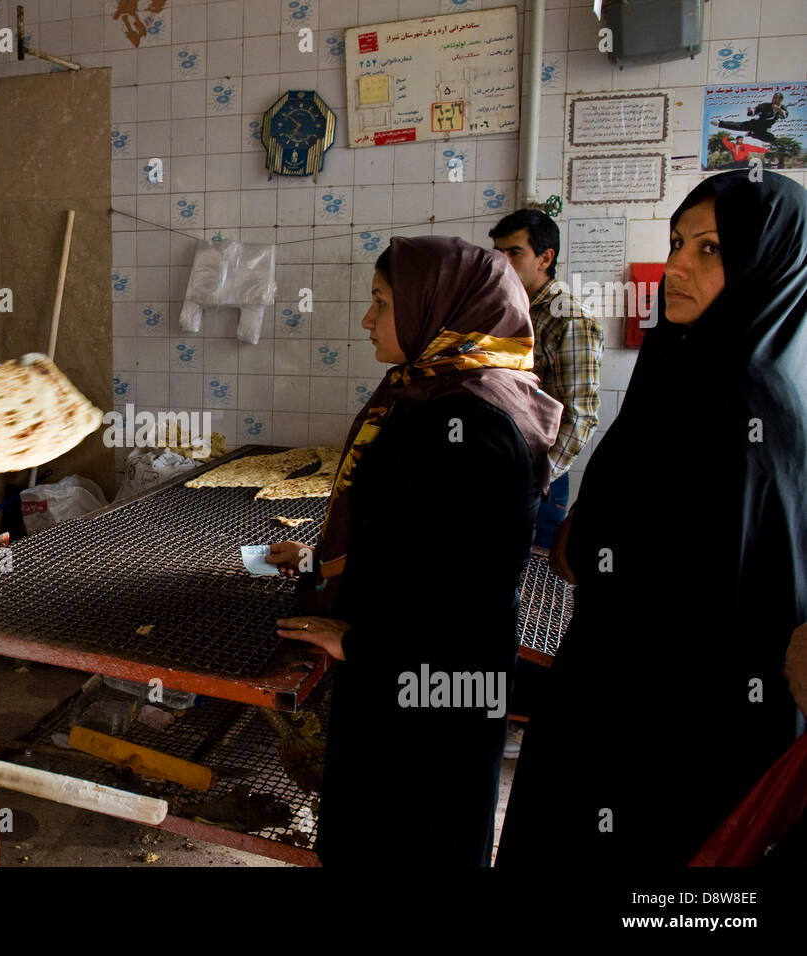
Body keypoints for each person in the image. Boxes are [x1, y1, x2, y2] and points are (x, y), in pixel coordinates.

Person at [497, 171, 807, 867]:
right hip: (616, 675)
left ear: (770, 259)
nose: (676, 267)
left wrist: (596, 538)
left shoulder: (752, 399)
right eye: (675, 243)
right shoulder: (682, 364)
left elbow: (724, 585)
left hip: (680, 719)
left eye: (710, 250)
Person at [266, 236, 562, 866]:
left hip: (425, 684)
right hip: (413, 664)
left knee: (411, 834)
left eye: (380, 302)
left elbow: (462, 588)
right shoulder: (436, 393)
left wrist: (358, 644)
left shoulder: (468, 424)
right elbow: (411, 541)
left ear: (439, 307)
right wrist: (322, 561)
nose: (367, 319)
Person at [490, 209, 603, 551]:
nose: (503, 262)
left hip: (538, 476)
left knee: (535, 580)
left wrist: (535, 480)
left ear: (545, 257)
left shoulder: (569, 319)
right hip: (499, 465)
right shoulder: (507, 310)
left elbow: (581, 416)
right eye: (498, 253)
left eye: (514, 252)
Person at [711, 91, 788, 144]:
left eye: (776, 98)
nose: (774, 99)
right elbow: (754, 111)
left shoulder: (782, 107)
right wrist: (750, 111)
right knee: (739, 126)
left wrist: (778, 109)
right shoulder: (765, 105)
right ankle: (719, 123)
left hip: (763, 128)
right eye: (774, 97)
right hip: (756, 123)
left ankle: (752, 134)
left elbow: (784, 116)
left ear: (780, 100)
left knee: (771, 138)